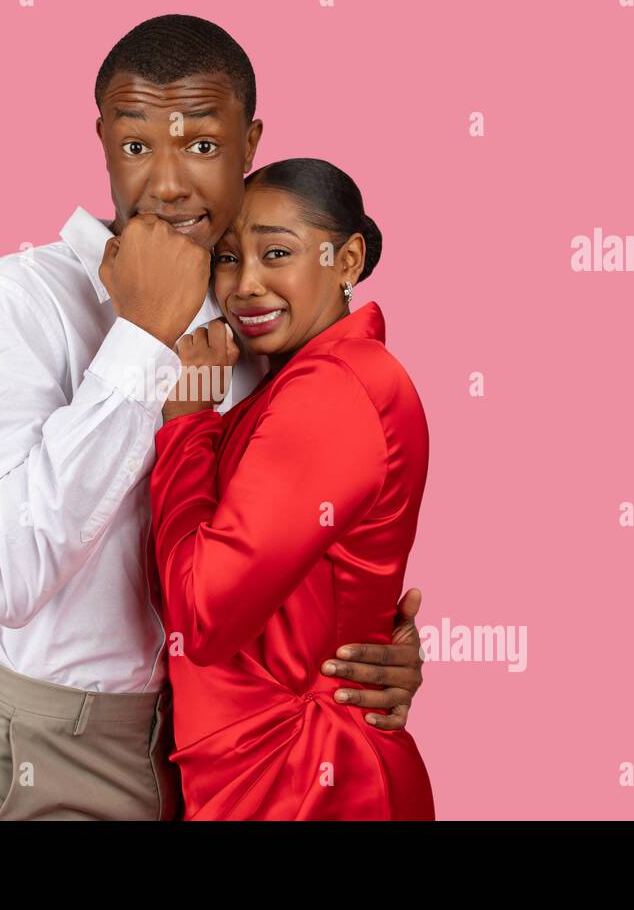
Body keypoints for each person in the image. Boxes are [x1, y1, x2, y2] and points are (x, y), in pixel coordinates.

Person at [0, 15, 427, 821]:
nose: (165, 184)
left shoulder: (261, 315)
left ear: (251, 140)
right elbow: (3, 576)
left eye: (199, 146)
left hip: (220, 749)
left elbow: (279, 546)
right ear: (101, 141)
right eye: (135, 148)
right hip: (54, 743)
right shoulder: (17, 302)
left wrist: (369, 653)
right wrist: (141, 339)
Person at [146, 158, 434, 819]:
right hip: (270, 774)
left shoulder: (333, 388)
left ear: (348, 259)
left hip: (313, 782)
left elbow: (206, 616)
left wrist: (188, 421)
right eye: (225, 258)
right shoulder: (304, 379)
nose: (245, 285)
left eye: (277, 252)